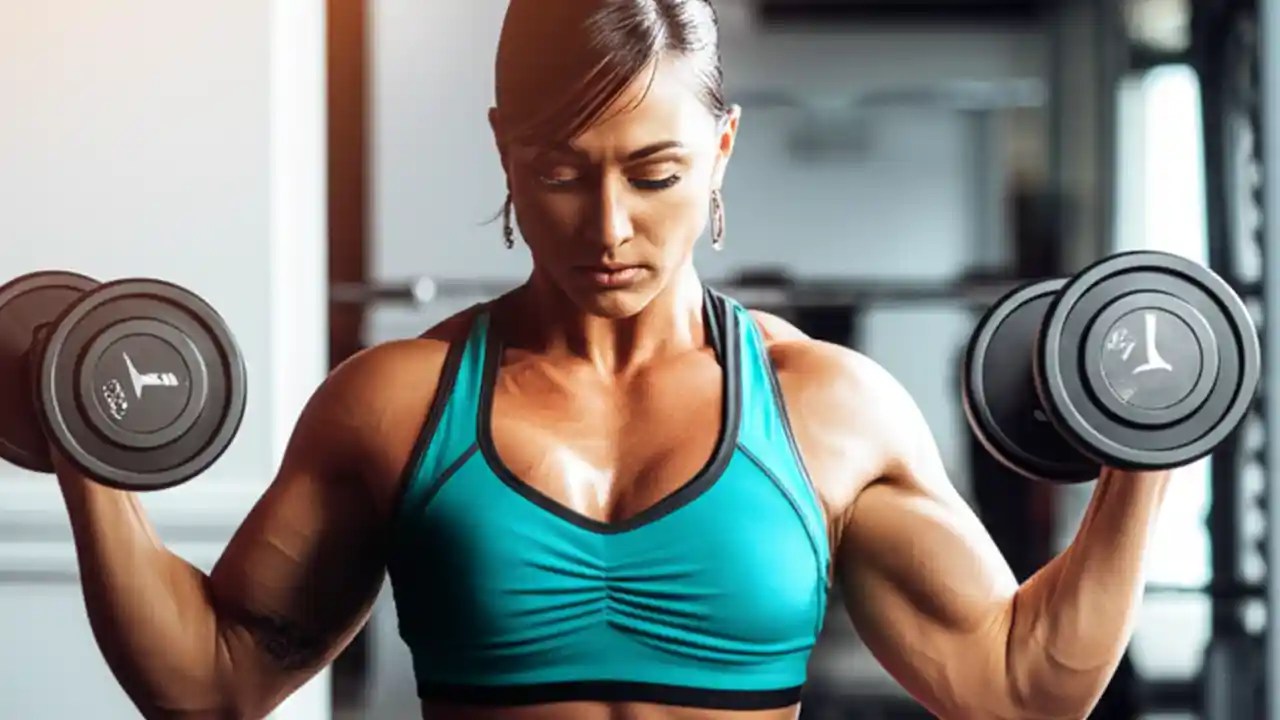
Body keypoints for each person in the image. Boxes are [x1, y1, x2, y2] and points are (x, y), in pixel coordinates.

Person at [51, 1, 1174, 718]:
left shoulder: (827, 410)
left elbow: (1018, 686)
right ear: (503, 147)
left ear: (720, 150)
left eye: (654, 172)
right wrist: (82, 444)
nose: (607, 227)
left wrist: (1147, 449)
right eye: (558, 171)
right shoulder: (394, 406)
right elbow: (214, 680)